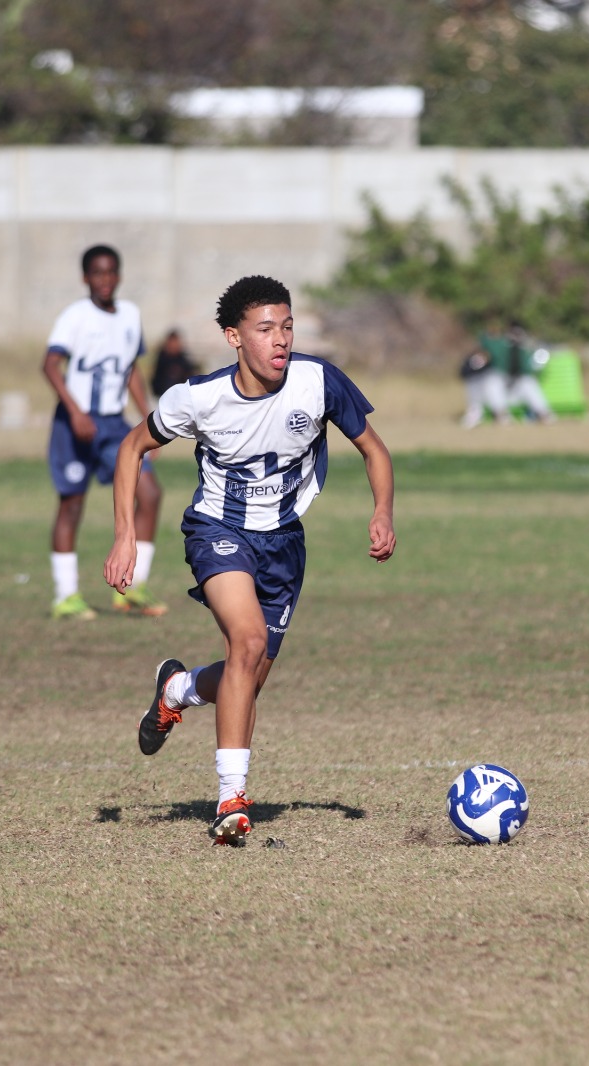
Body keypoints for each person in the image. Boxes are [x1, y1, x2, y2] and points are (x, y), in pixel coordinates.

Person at [104, 276, 396, 845]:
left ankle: (178, 691)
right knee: (248, 643)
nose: (280, 340)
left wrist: (382, 511)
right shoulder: (199, 397)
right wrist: (123, 535)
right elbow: (131, 447)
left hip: (284, 544)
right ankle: (231, 800)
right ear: (234, 337)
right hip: (217, 530)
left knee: (249, 675)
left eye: (287, 327)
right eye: (266, 329)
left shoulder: (318, 381)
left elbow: (374, 449)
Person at [43, 244, 165, 620]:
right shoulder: (75, 317)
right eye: (97, 272)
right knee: (72, 504)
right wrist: (76, 412)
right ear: (85, 278)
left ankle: (131, 588)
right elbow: (50, 365)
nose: (105, 279)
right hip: (76, 423)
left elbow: (131, 369)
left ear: (119, 275)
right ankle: (66, 596)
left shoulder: (130, 315)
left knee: (150, 494)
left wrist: (148, 418)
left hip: (115, 426)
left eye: (111, 272)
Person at [459, 322, 555, 428]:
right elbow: (486, 342)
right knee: (493, 381)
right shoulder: (499, 346)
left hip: (516, 391)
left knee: (528, 382)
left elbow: (532, 367)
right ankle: (500, 414)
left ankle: (543, 413)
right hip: (498, 392)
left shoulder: (527, 349)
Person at [149, 328, 198, 399]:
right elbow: (156, 381)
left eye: (175, 342)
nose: (173, 345)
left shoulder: (183, 361)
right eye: (172, 342)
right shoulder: (162, 359)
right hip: (162, 396)